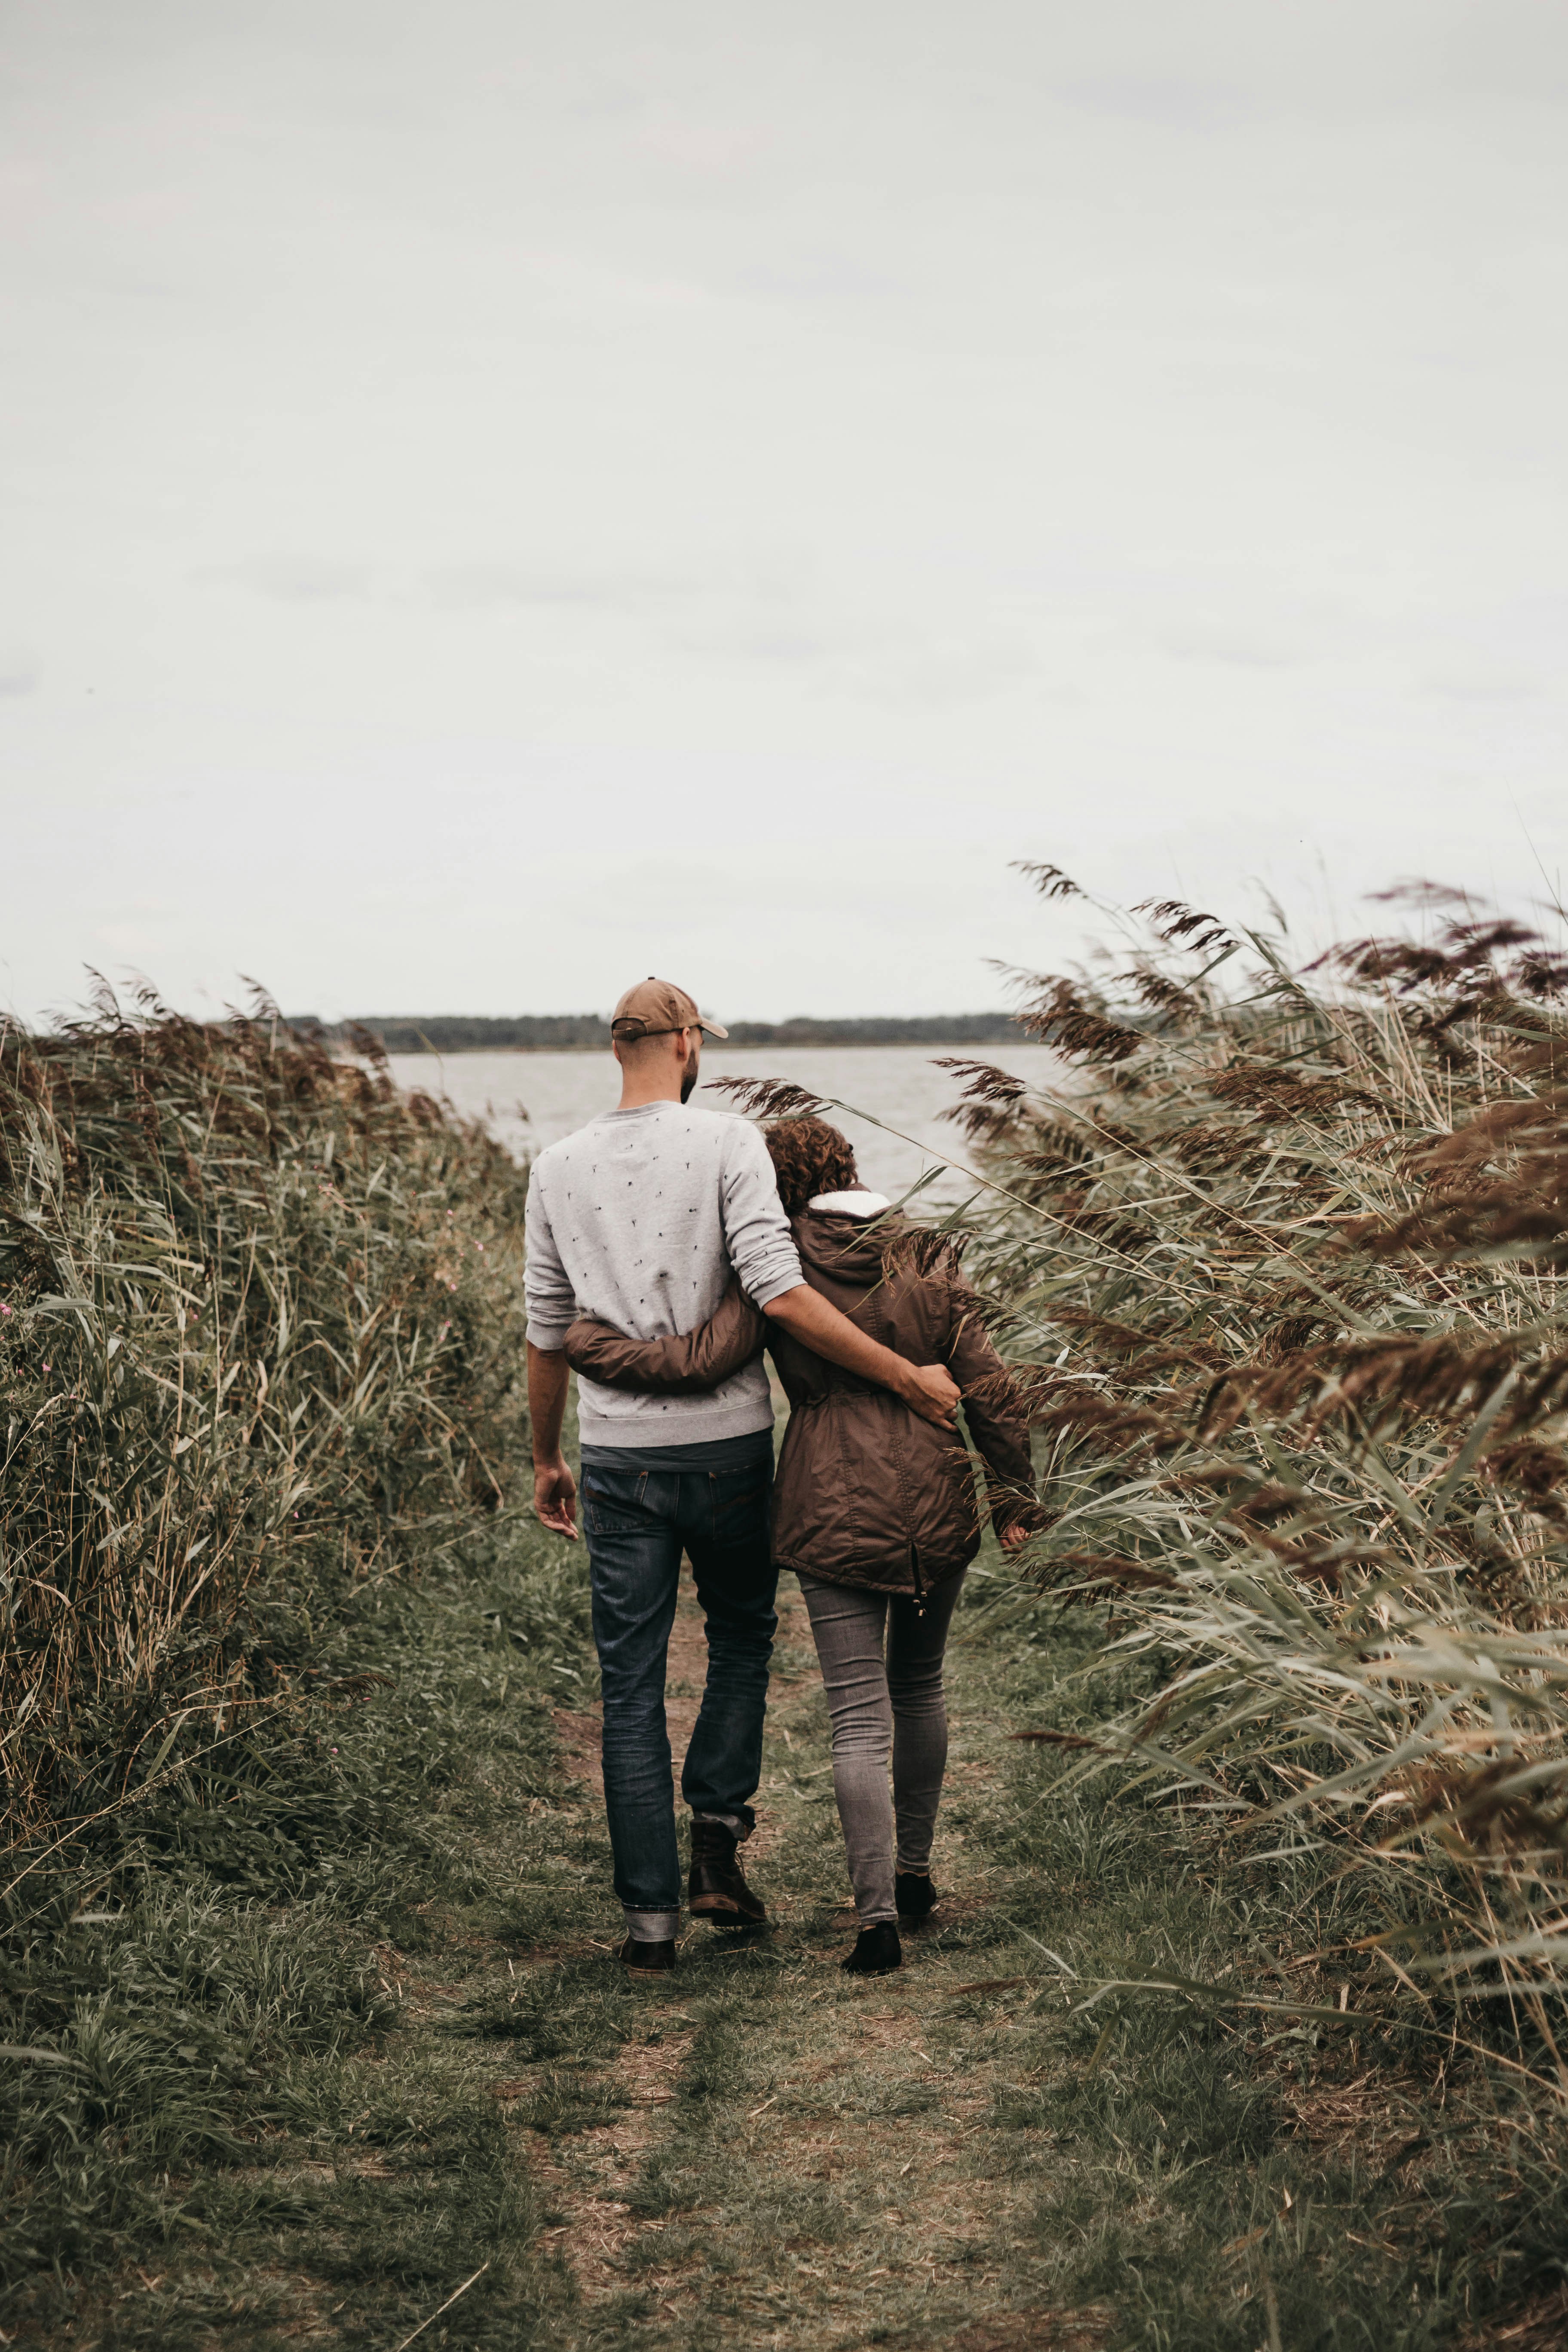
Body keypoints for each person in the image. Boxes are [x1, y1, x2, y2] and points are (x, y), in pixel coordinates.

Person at [524, 980, 963, 1978]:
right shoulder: (727, 1147)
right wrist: (904, 1375)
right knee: (740, 1639)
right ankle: (717, 1840)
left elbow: (546, 1331)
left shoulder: (555, 1165)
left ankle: (649, 1928)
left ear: (615, 1047)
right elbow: (779, 1290)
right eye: (699, 1042)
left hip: (617, 1456)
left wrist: (547, 1457)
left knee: (628, 1686)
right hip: (726, 1449)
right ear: (684, 1044)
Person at [565, 1114, 1038, 1977]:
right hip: (936, 1494)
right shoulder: (929, 1250)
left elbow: (702, 1361)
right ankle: (918, 1872)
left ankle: (877, 1925)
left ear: (774, 1187)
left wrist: (588, 1342)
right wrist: (1015, 1492)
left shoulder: (783, 1263)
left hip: (830, 1501)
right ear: (852, 1163)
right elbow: (992, 1385)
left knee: (857, 1716)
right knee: (920, 1682)